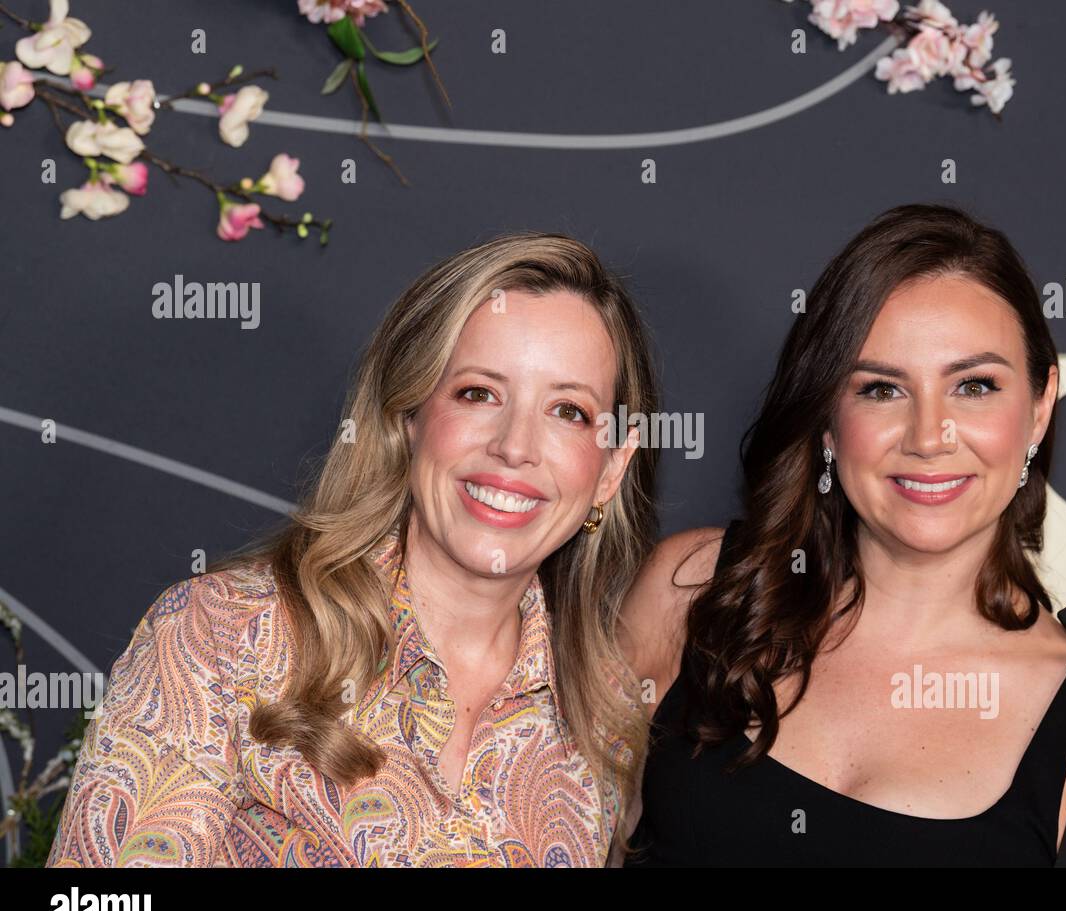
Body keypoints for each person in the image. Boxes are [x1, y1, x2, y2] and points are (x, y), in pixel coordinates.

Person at [48, 233, 658, 867]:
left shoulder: (603, 715)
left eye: (568, 410)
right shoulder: (222, 635)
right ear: (407, 418)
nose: (514, 446)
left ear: (612, 468)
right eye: (479, 393)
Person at [620, 204, 1066, 866]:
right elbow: (560, 838)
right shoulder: (694, 589)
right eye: (882, 388)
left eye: (974, 385)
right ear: (828, 417)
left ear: (1039, 408)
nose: (928, 436)